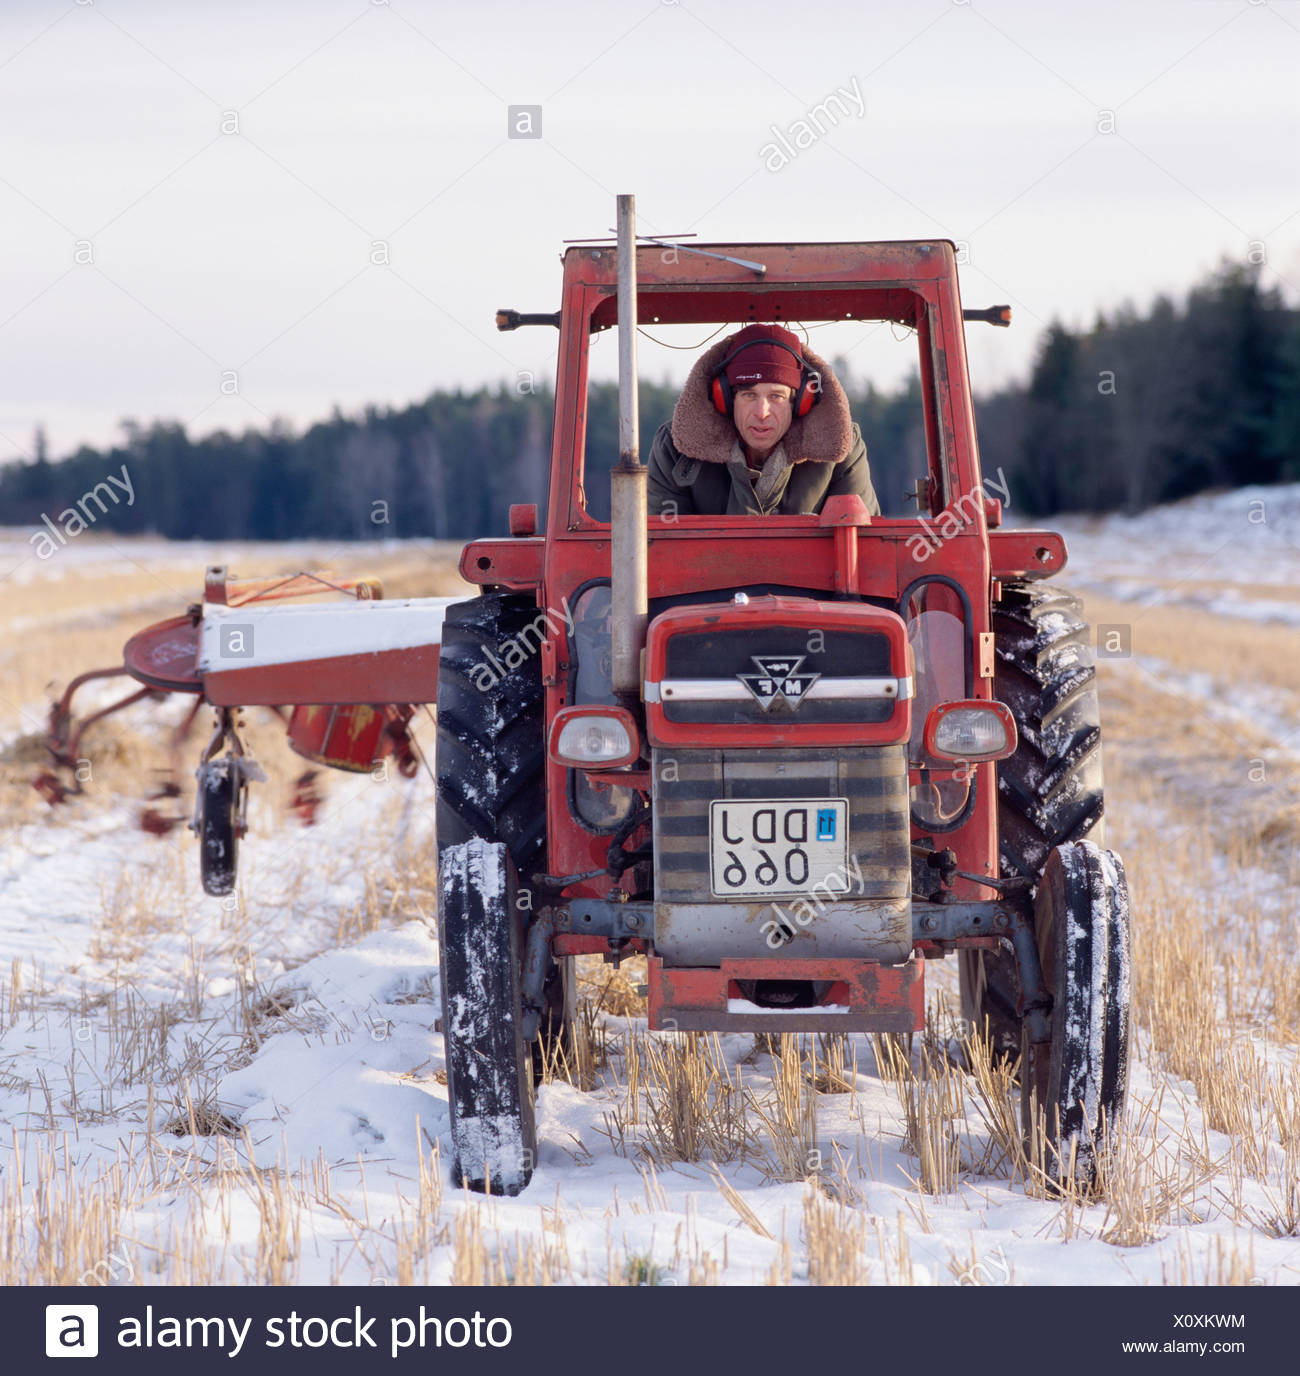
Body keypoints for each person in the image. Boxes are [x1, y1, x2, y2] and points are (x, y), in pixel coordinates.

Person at [646, 322, 879, 518]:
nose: (762, 412)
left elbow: (863, 545)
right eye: (749, 395)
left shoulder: (841, 447)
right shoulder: (675, 448)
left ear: (800, 401)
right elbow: (662, 548)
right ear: (725, 398)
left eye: (776, 396)